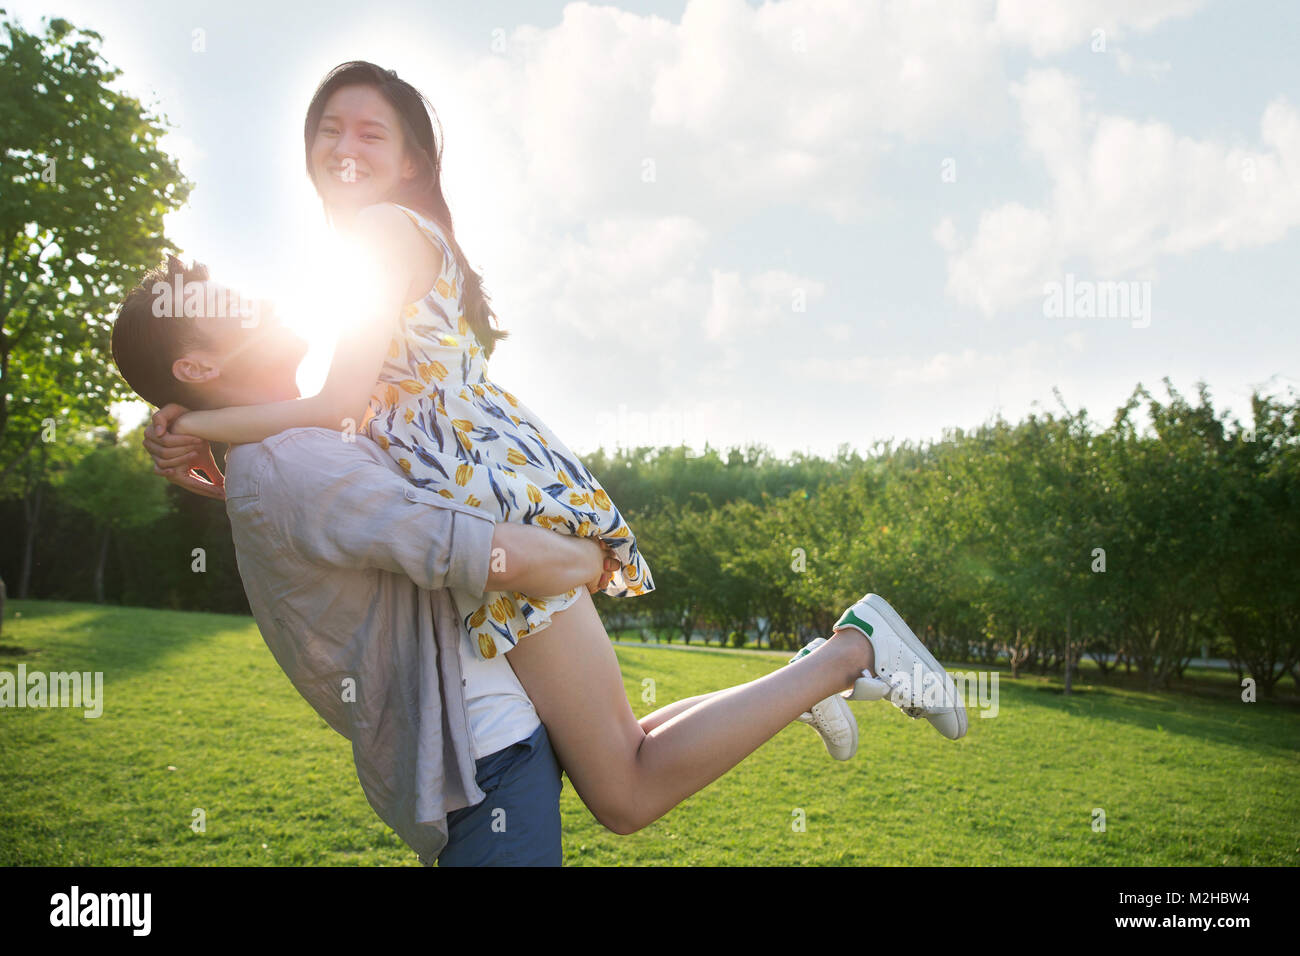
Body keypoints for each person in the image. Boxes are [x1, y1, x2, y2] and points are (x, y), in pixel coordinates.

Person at [140, 59, 967, 843]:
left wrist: (195, 425)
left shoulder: (385, 235)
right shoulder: (372, 245)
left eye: (371, 134)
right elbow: (332, 476)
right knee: (620, 760)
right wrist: (216, 468)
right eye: (331, 129)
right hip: (464, 486)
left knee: (625, 784)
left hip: (482, 496)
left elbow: (330, 409)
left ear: (407, 162)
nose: (346, 147)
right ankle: (810, 678)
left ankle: (854, 649)